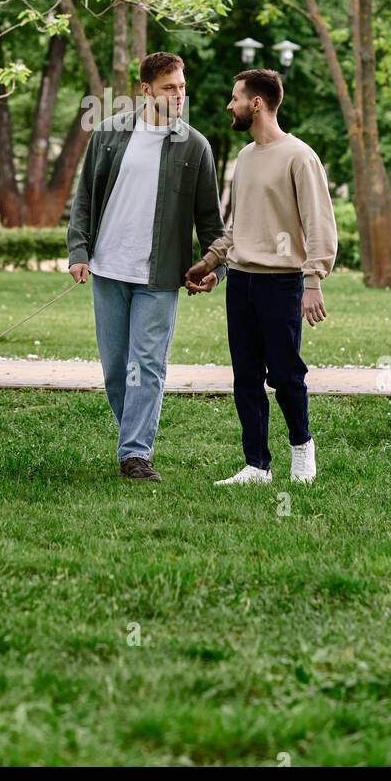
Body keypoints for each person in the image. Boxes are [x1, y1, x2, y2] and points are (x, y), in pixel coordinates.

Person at [67, 52, 226, 481]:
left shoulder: (195, 146)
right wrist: (79, 252)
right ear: (145, 91)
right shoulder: (108, 135)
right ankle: (132, 439)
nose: (178, 96)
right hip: (108, 269)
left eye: (181, 87)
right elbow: (84, 199)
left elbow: (212, 224)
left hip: (159, 278)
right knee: (117, 368)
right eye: (168, 88)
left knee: (148, 365)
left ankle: (135, 454)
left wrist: (215, 268)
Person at [185, 69, 337, 486]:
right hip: (242, 281)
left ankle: (302, 448)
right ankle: (256, 465)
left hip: (282, 283)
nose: (229, 106)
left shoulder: (299, 156)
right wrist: (212, 261)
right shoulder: (245, 158)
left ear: (255, 103)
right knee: (246, 375)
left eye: (235, 98)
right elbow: (237, 226)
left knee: (286, 374)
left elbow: (319, 223)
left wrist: (312, 281)